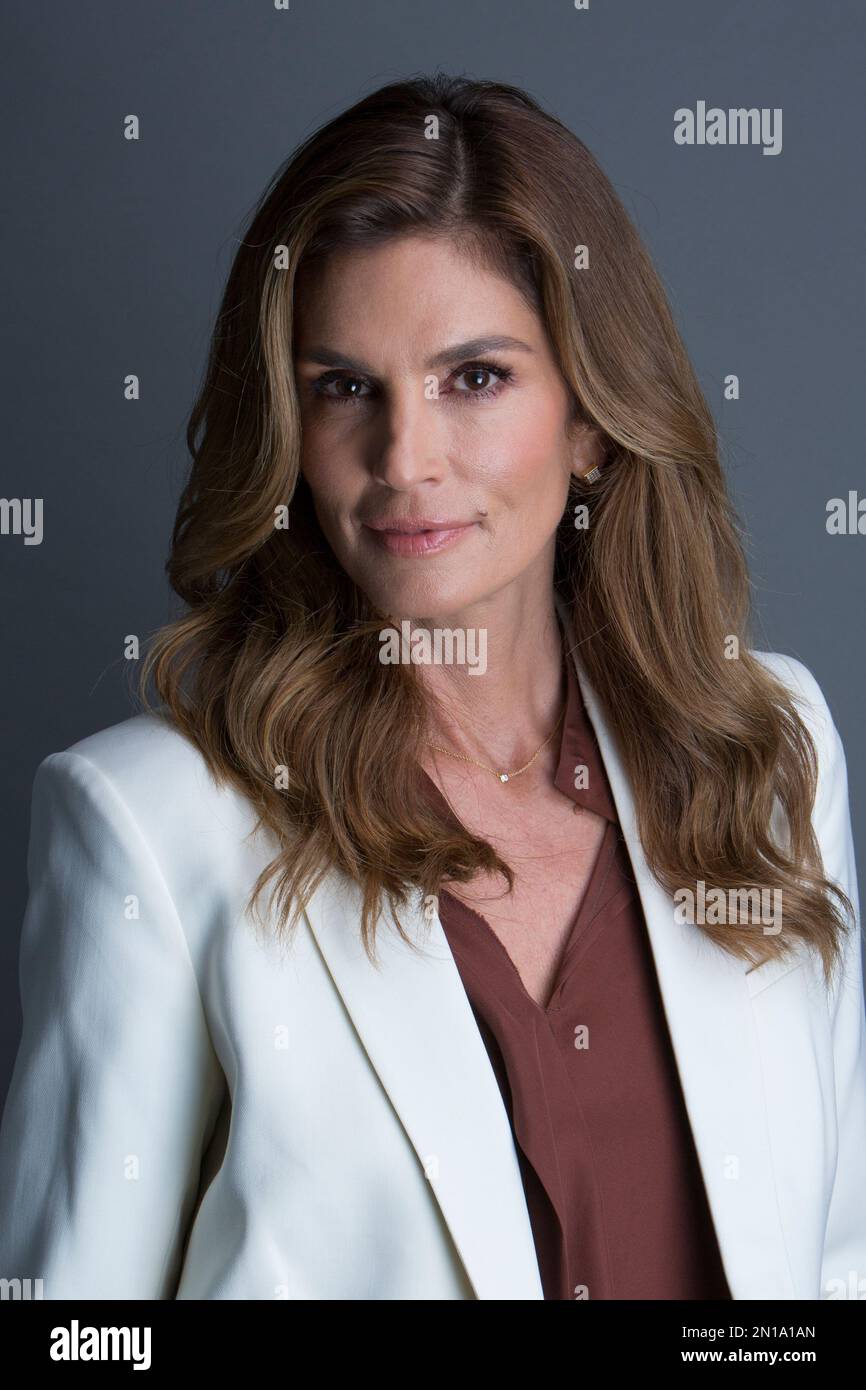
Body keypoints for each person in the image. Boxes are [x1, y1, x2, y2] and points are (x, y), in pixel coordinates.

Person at [0, 72, 863, 1301]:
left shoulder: (770, 752)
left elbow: (831, 1276)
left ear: (592, 420)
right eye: (343, 386)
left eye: (474, 377)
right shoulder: (146, 829)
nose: (404, 460)